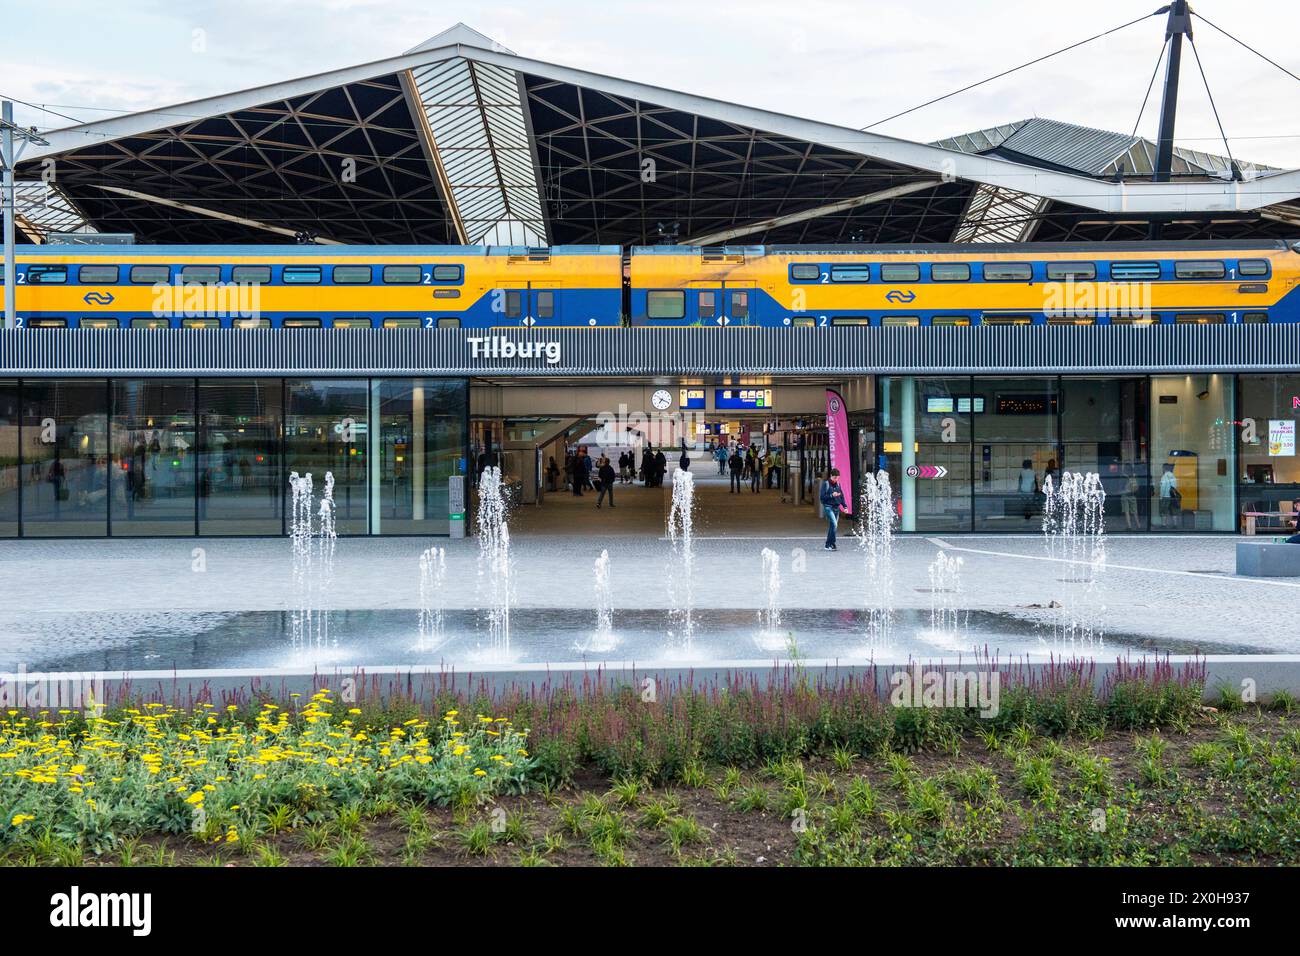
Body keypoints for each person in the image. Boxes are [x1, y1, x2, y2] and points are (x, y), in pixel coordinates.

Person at [820, 468, 847, 550]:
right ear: (831, 476)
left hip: (836, 507)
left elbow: (841, 496)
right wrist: (832, 495)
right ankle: (832, 543)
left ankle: (829, 544)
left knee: (833, 526)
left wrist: (844, 506)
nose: (836, 479)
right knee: (834, 524)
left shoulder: (838, 484)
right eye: (834, 477)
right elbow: (822, 497)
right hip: (828, 507)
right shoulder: (826, 484)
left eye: (837, 478)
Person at [1159, 462, 1180, 528]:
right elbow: (1175, 486)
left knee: (1164, 511)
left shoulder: (1164, 476)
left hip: (1165, 496)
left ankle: (1164, 525)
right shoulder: (1173, 475)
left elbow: (1163, 487)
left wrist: (1161, 496)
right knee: (1174, 511)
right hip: (1173, 497)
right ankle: (1175, 525)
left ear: (1164, 468)